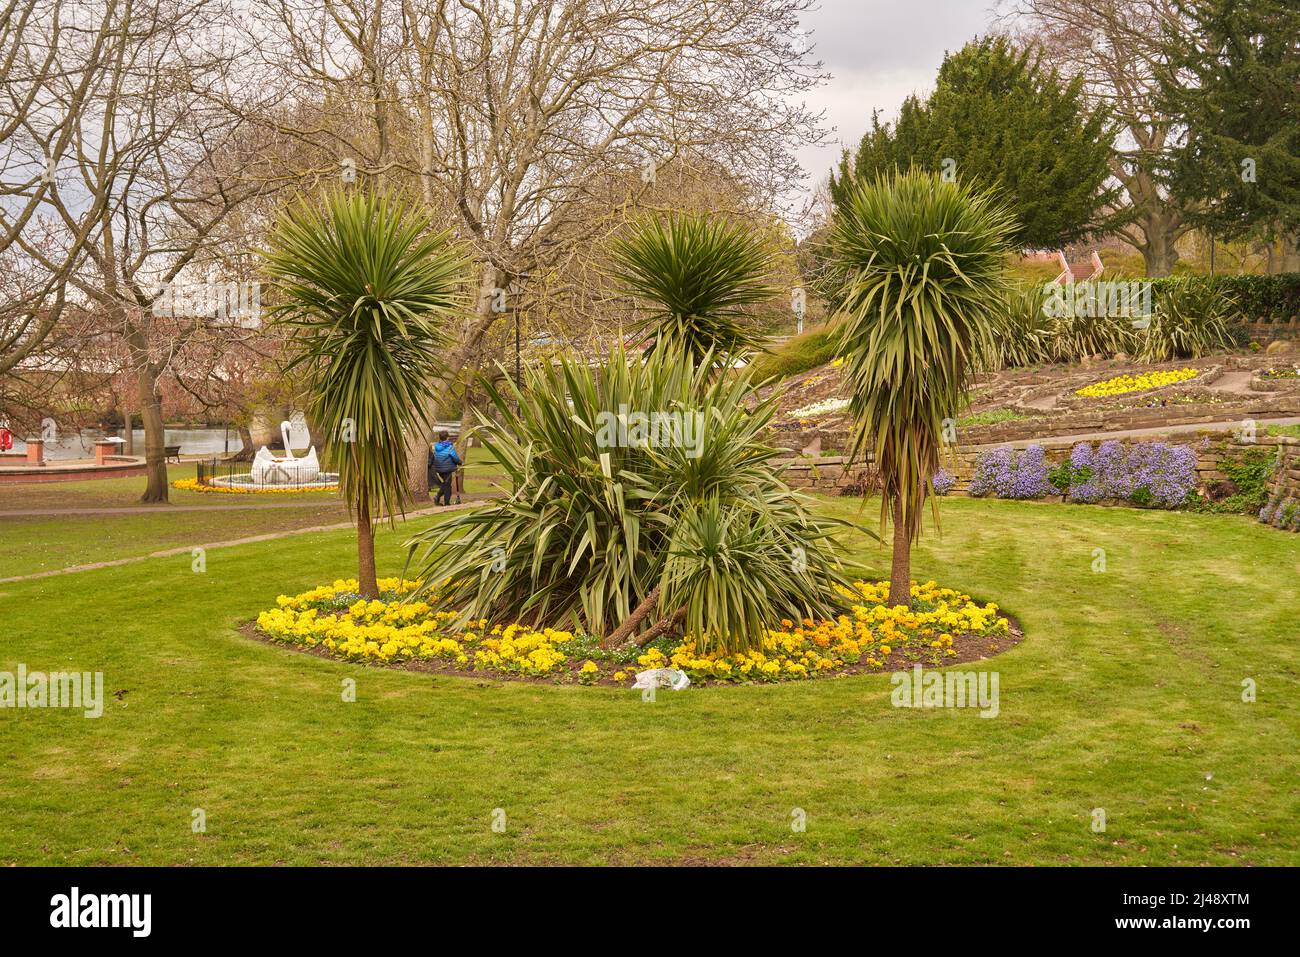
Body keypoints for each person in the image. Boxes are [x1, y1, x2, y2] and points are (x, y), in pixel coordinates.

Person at [429, 430, 462, 506]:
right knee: (446, 484)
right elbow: (455, 458)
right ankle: (438, 497)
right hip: (447, 468)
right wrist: (460, 462)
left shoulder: (437, 446)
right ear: (447, 437)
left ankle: (445, 502)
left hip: (439, 468)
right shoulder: (450, 447)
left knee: (447, 484)